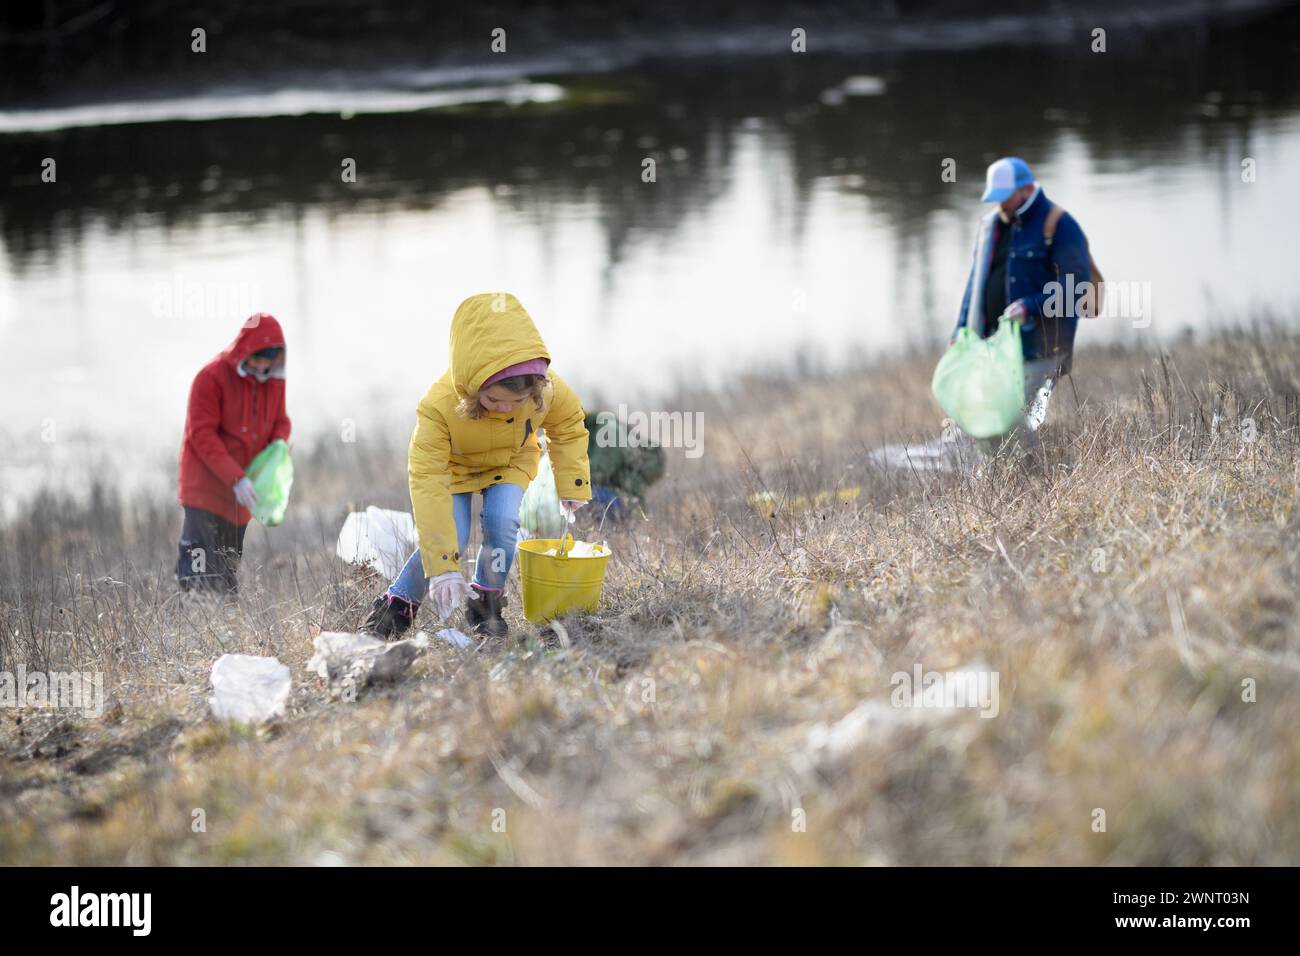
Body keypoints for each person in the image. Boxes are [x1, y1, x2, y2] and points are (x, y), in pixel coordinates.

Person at [362, 293, 592, 639]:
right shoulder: (438, 407)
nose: (504, 408)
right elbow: (427, 480)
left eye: (515, 403)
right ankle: (396, 608)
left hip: (510, 462)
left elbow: (569, 425)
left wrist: (572, 483)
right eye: (493, 400)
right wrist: (443, 567)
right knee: (453, 532)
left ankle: (486, 602)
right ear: (472, 389)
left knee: (502, 523)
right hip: (454, 471)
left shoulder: (544, 389)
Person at [951, 156, 1094, 455]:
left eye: (1006, 198)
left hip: (1041, 348)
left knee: (1011, 418)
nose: (1000, 205)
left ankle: (1033, 478)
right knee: (986, 417)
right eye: (997, 199)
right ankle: (999, 482)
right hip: (996, 347)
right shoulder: (993, 228)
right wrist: (961, 328)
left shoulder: (1060, 226)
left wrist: (1030, 305)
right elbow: (975, 283)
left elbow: (1077, 289)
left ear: (1027, 190)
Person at [177, 313, 290, 593]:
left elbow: (280, 421)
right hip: (205, 489)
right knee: (199, 564)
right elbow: (201, 433)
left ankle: (226, 626)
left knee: (228, 566)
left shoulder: (273, 382)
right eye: (259, 356)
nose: (263, 365)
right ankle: (194, 620)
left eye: (270, 358)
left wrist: (279, 446)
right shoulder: (210, 378)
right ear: (246, 350)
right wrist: (234, 477)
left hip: (243, 494)